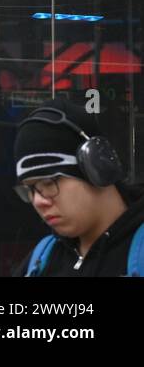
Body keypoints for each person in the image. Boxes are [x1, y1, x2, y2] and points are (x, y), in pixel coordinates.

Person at [12, 97, 144, 276]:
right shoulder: (41, 259)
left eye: (49, 183)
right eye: (30, 190)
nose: (38, 201)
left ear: (97, 168)